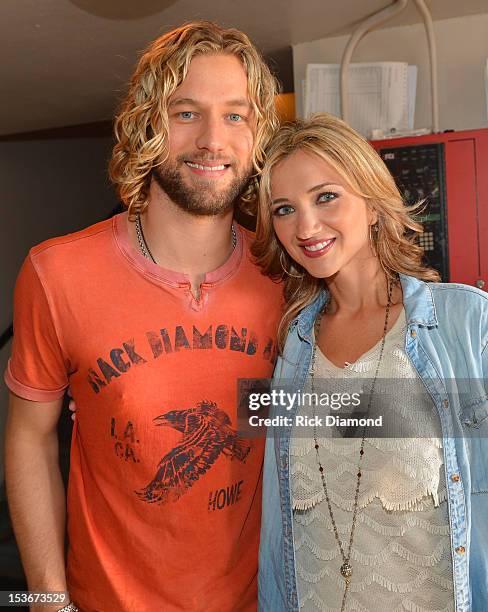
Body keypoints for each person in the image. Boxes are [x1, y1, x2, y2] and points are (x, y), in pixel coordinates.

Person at [4, 22, 284, 612]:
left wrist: (446, 398)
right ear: (147, 125)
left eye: (236, 115)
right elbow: (30, 439)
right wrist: (44, 601)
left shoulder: (285, 279)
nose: (214, 139)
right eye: (186, 112)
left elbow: (301, 418)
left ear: (258, 136)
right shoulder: (57, 275)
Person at [253, 114, 488, 611]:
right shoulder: (290, 348)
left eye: (326, 196)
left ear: (374, 204)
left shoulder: (464, 323)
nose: (306, 226)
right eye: (284, 209)